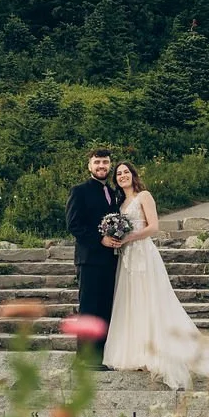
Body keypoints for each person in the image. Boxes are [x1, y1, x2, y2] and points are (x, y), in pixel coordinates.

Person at [103, 161, 209, 389]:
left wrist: (128, 238)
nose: (122, 176)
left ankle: (159, 349)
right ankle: (135, 350)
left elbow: (153, 227)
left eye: (126, 172)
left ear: (133, 174)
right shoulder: (121, 202)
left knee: (150, 300)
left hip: (143, 253)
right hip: (126, 257)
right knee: (132, 302)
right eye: (118, 174)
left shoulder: (143, 196)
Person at [65, 148, 121, 367]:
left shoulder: (113, 193)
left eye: (105, 162)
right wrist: (100, 240)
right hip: (89, 259)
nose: (101, 166)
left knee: (105, 307)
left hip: (110, 260)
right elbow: (74, 225)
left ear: (109, 165)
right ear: (89, 166)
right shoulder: (79, 191)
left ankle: (101, 356)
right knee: (89, 308)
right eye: (97, 162)